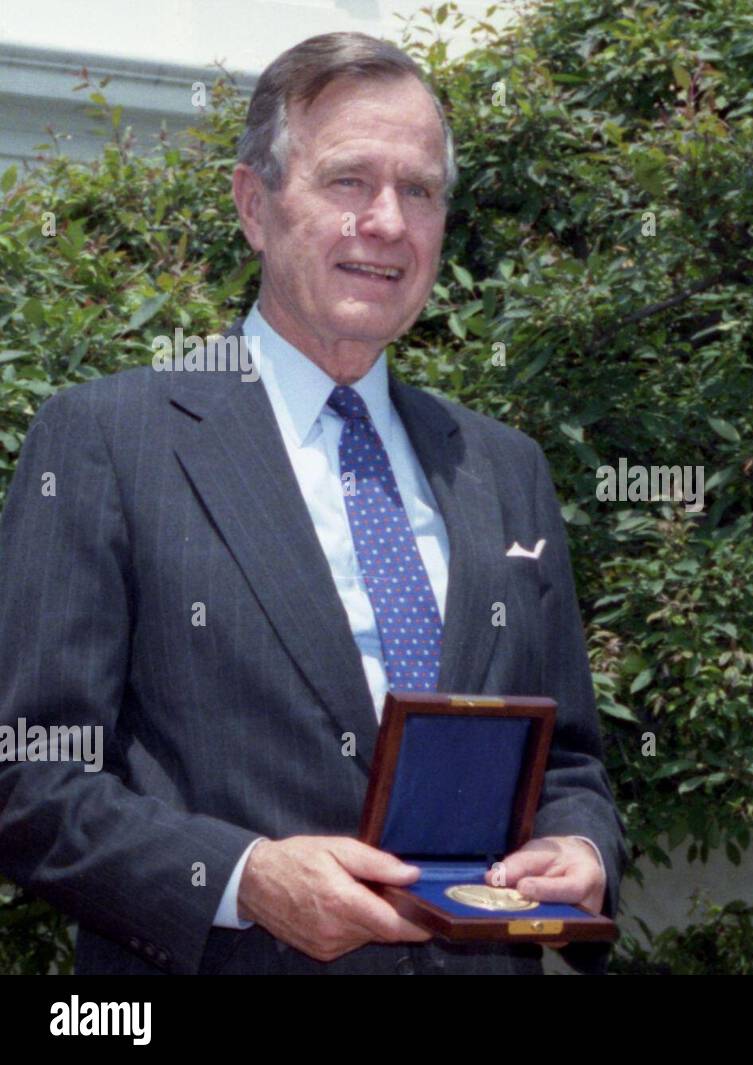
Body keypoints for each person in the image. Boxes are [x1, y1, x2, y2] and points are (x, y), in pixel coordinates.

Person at [0, 32, 624, 975]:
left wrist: (581, 848)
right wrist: (243, 877)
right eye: (348, 182)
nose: (385, 221)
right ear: (255, 206)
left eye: (418, 190)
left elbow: (568, 757)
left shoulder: (504, 467)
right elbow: (28, 781)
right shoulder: (108, 442)